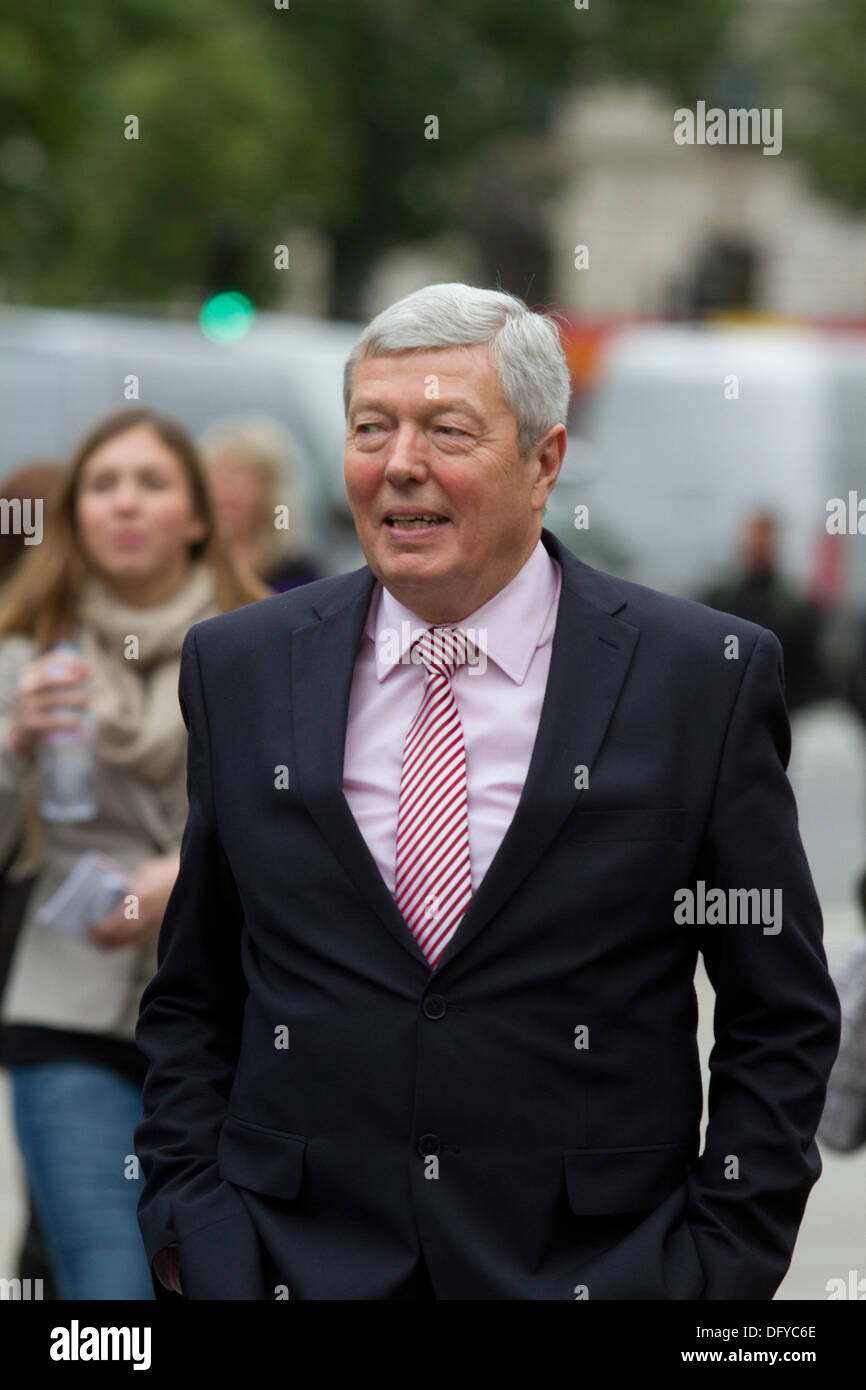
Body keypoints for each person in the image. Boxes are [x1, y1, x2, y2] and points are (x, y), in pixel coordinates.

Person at [134, 284, 841, 1301]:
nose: (399, 462)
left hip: (592, 1271)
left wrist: (713, 1266)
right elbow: (195, 991)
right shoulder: (240, 666)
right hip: (287, 1265)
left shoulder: (701, 676)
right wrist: (193, 1229)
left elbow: (778, 1013)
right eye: (371, 427)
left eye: (445, 430)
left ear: (544, 460)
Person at [0, 406, 269, 1299]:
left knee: (221, 1276)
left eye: (151, 484)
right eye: (103, 485)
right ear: (74, 513)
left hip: (236, 1017)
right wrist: (14, 746)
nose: (125, 504)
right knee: (110, 1284)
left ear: (196, 516)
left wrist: (184, 881)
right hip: (69, 1010)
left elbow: (318, 832)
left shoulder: (269, 651)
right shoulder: (23, 655)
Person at [701, 510, 826, 713]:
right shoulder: (720, 597)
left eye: (765, 535)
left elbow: (806, 671)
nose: (758, 543)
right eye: (754, 534)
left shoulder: (795, 609)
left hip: (778, 707)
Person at [200, 415, 321, 593]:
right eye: (217, 476)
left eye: (239, 478)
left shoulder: (296, 574)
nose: (224, 492)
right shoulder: (187, 563)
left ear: (271, 492)